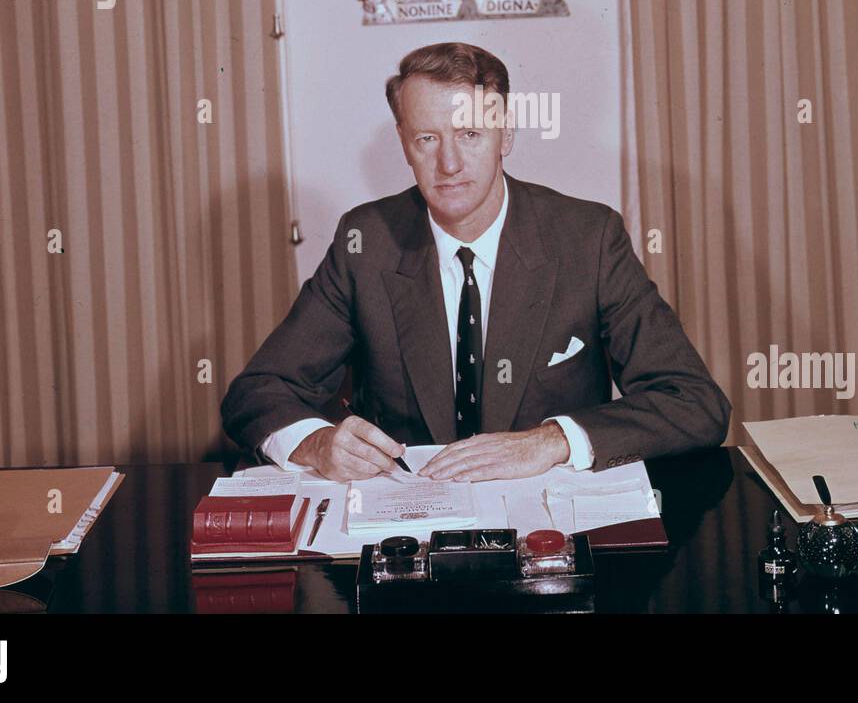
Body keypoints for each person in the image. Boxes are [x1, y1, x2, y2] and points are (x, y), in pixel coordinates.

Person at [221, 42, 730, 481]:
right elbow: (258, 392)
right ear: (404, 143)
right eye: (427, 139)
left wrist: (551, 441)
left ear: (505, 136)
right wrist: (316, 444)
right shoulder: (366, 241)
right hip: (409, 543)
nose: (449, 164)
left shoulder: (587, 238)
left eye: (469, 135)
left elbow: (694, 402)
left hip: (552, 540)